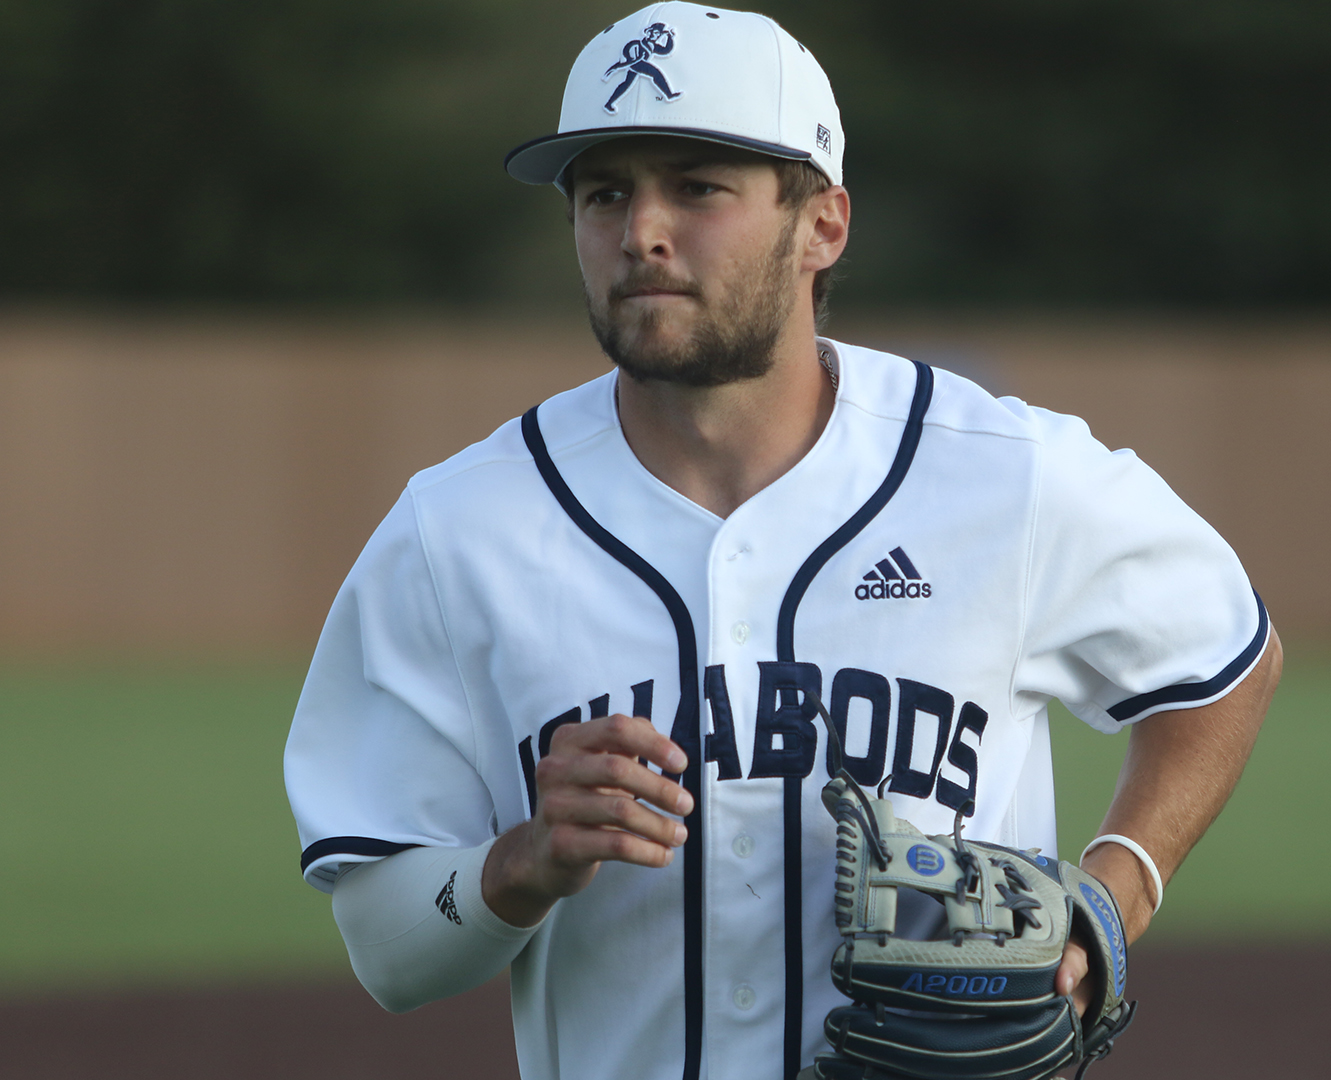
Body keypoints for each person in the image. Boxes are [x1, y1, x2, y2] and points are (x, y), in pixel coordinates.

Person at [282, 5, 1280, 1080]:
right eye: (604, 192)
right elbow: (389, 952)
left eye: (699, 185)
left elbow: (1224, 659)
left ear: (825, 224)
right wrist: (520, 864)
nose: (641, 231)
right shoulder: (458, 530)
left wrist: (1114, 888)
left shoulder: (1003, 473)